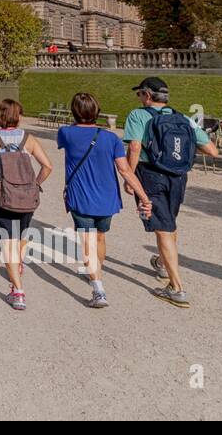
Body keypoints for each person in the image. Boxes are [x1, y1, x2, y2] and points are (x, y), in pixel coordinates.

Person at [124, 77, 219, 308]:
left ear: (147, 95)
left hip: (151, 175)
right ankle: (163, 263)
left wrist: (130, 176)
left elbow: (135, 146)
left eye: (140, 94)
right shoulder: (183, 118)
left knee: (163, 228)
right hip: (178, 177)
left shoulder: (138, 115)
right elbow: (212, 150)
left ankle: (176, 288)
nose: (139, 98)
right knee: (169, 223)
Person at [57, 92, 152, 309]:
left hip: (80, 196)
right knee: (100, 238)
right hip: (107, 197)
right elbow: (125, 170)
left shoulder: (66, 133)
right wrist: (144, 196)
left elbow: (69, 141)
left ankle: (98, 288)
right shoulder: (110, 138)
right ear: (97, 112)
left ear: (73, 112)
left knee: (87, 241)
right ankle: (96, 272)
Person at [0, 99, 53, 309]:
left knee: (7, 241)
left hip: (2, 195)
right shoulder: (28, 138)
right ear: (18, 116)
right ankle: (17, 265)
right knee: (21, 235)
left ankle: (18, 291)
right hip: (27, 196)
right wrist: (34, 184)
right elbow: (48, 166)